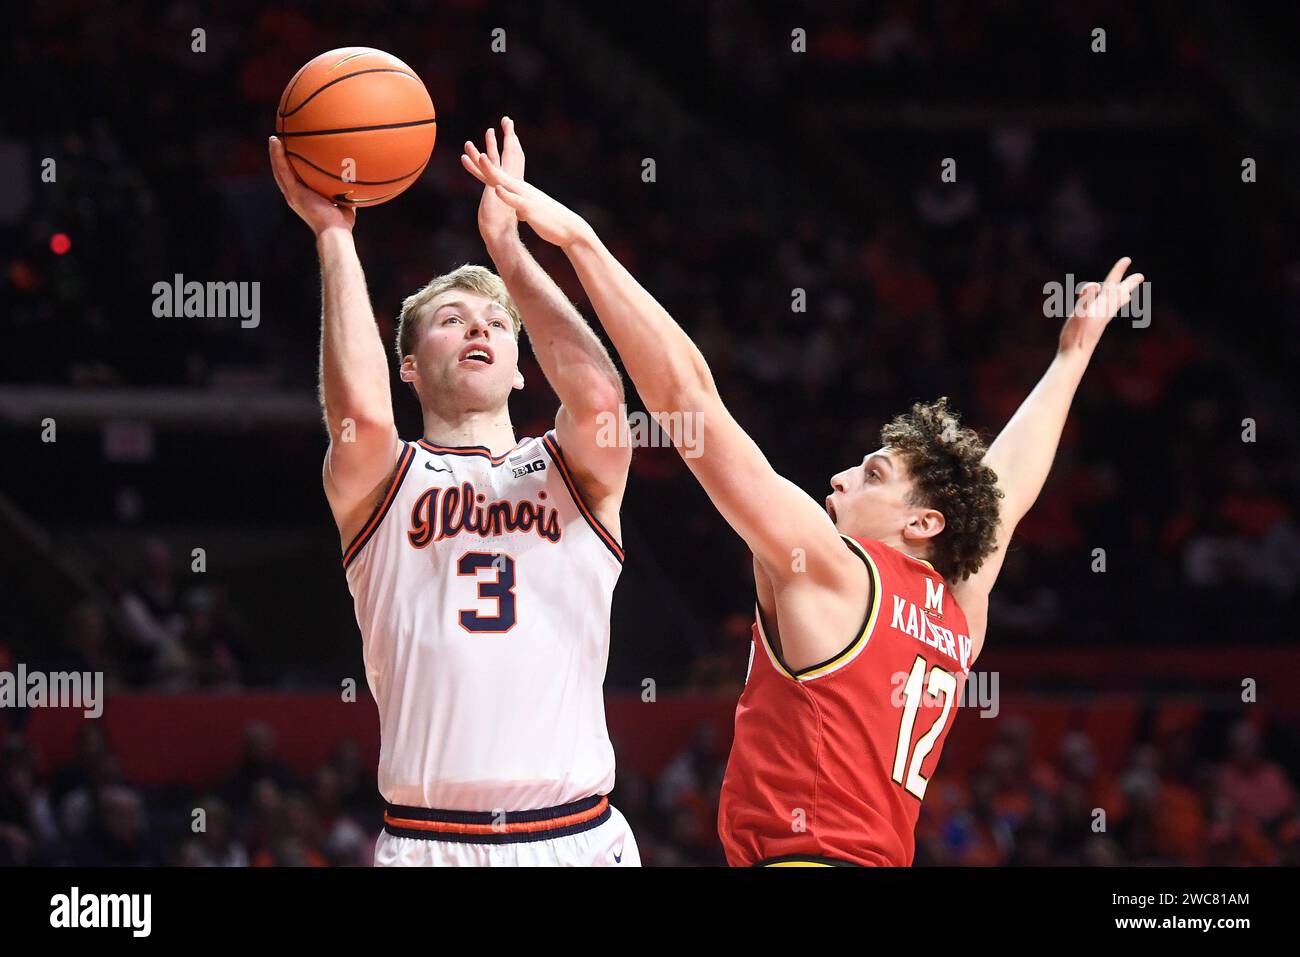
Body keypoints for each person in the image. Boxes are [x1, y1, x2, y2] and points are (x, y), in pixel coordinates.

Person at [462, 145, 1143, 866]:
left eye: (874, 473)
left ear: (923, 522)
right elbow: (1004, 495)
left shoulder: (832, 566)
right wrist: (1070, 360)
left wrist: (580, 241)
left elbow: (689, 397)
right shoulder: (955, 617)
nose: (841, 479)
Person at [267, 117, 639, 867]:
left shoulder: (574, 469)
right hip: (430, 840)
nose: (478, 327)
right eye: (450, 319)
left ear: (518, 368)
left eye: (497, 325)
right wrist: (334, 237)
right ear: (409, 365)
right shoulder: (383, 478)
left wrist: (509, 246)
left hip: (576, 832)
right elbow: (361, 415)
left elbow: (601, 395)